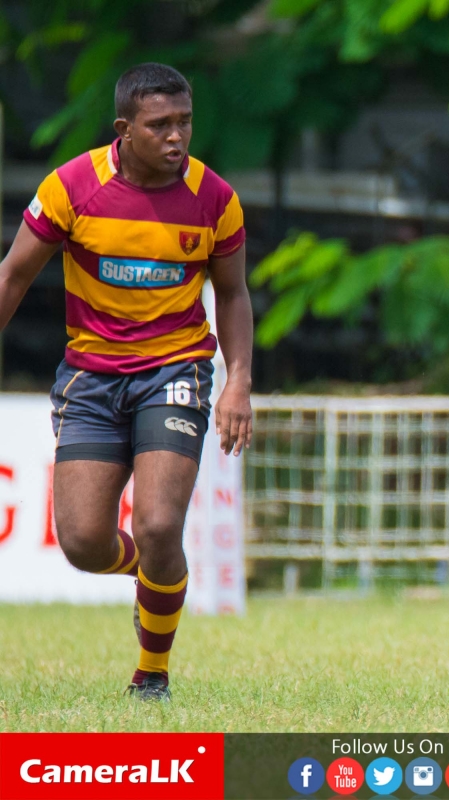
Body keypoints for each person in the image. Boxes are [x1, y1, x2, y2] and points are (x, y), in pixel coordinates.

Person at [0, 63, 254, 701]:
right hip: (91, 376)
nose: (176, 137)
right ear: (124, 129)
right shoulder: (71, 187)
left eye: (184, 122)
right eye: (160, 125)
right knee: (84, 543)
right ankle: (156, 576)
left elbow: (233, 294)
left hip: (175, 369)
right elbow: (12, 276)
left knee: (160, 524)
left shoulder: (215, 199)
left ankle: (151, 675)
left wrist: (239, 382)